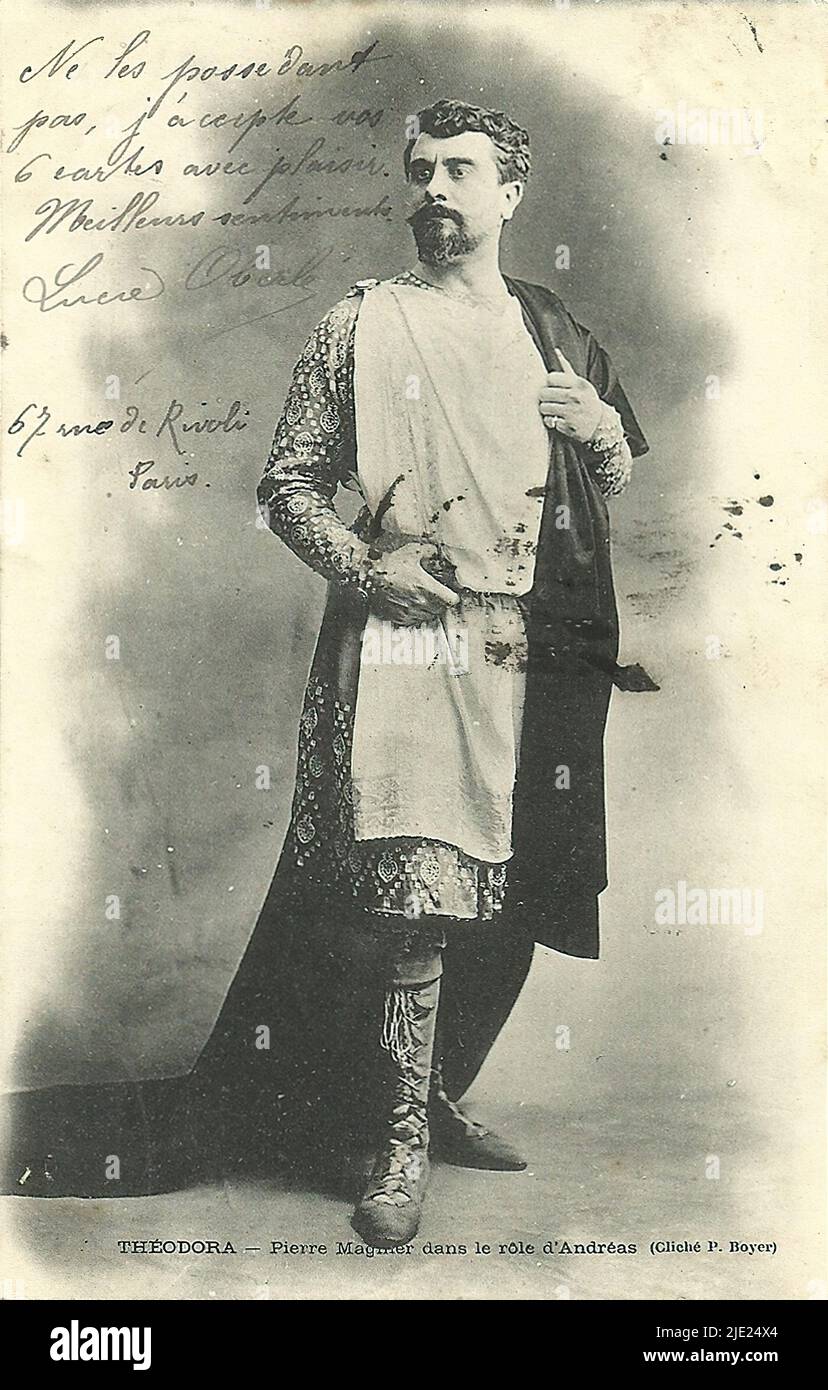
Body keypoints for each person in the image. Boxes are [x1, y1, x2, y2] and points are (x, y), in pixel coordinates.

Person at [200, 98, 651, 1247]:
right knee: (417, 896)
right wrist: (366, 567)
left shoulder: (557, 337)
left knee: (510, 885)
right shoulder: (358, 324)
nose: (434, 193)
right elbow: (288, 487)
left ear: (510, 194)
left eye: (459, 172)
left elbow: (610, 487)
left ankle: (436, 1093)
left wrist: (597, 427)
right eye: (421, 172)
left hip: (536, 643)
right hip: (409, 639)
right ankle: (394, 1139)